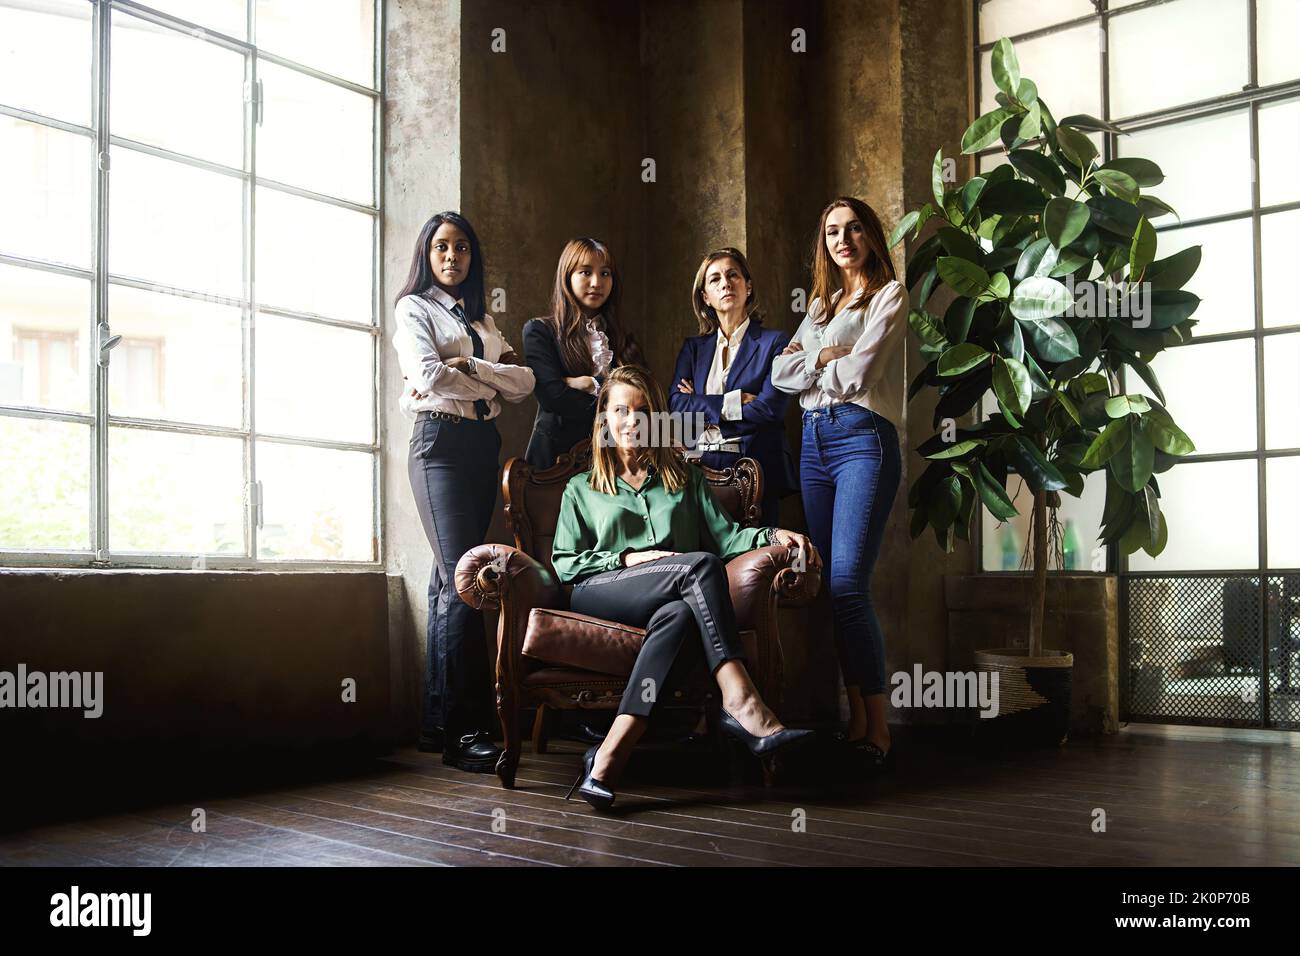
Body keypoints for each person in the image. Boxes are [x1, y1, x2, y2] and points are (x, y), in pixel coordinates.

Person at [551, 364, 822, 811]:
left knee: (678, 613)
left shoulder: (684, 478)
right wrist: (628, 558)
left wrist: (774, 535)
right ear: (604, 419)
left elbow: (728, 538)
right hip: (600, 591)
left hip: (669, 598)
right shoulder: (581, 488)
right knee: (698, 567)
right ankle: (741, 699)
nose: (631, 420)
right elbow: (565, 565)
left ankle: (610, 752)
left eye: (642, 411)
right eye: (620, 410)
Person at [392, 211, 535, 773]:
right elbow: (427, 377)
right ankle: (467, 730)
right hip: (440, 446)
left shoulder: (482, 318)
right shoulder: (414, 309)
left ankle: (434, 722)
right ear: (427, 254)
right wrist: (489, 377)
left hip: (482, 448)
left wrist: (473, 364)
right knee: (465, 580)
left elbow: (522, 384)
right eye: (442, 247)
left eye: (463, 249)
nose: (453, 257)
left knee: (442, 579)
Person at [770, 196, 908, 770]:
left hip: (862, 440)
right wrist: (828, 352)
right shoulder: (822, 306)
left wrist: (820, 363)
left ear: (871, 236)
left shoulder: (889, 296)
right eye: (831, 232)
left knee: (849, 582)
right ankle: (856, 721)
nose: (843, 240)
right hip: (813, 444)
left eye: (853, 229)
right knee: (830, 586)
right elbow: (779, 373)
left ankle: (880, 727)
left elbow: (859, 375)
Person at [670, 247, 796, 526]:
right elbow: (677, 409)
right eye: (714, 279)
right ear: (705, 296)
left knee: (756, 560)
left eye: (733, 275)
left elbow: (769, 410)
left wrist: (701, 404)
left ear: (748, 286)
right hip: (699, 466)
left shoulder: (774, 343)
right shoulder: (693, 349)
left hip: (756, 467)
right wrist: (734, 403)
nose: (725, 283)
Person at [523, 237, 645, 471]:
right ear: (567, 276)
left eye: (605, 273)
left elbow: (642, 395)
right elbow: (553, 396)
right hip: (557, 459)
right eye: (586, 272)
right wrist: (615, 403)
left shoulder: (623, 337)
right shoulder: (539, 331)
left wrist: (590, 383)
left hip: (615, 456)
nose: (597, 282)